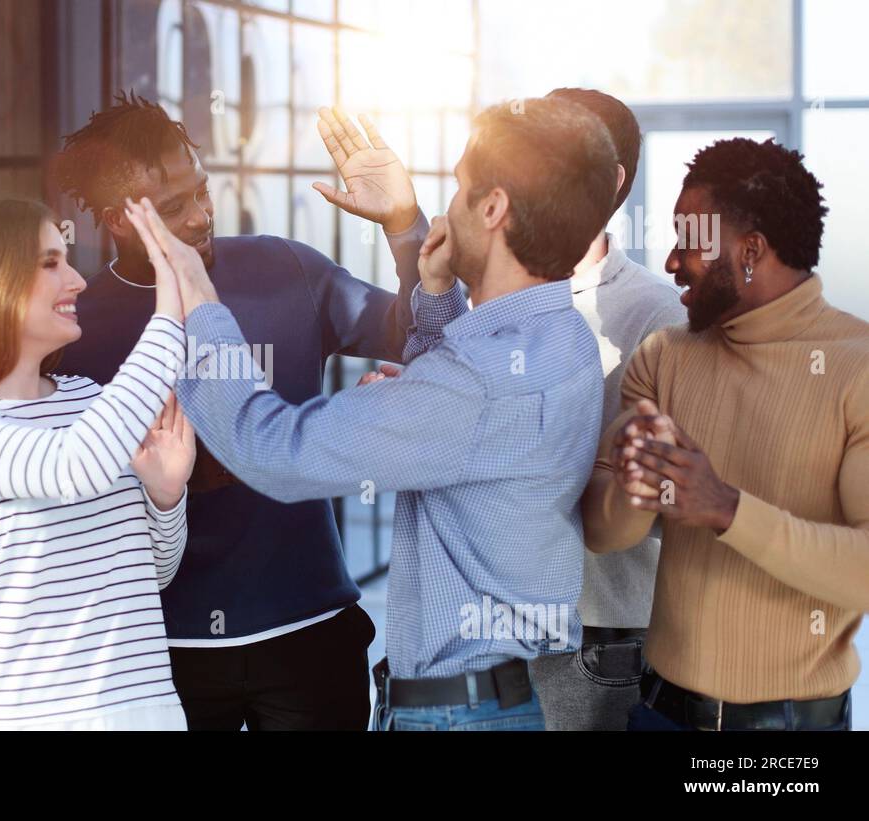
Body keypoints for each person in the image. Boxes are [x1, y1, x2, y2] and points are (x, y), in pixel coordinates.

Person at [124, 94, 618, 731]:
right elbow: (457, 382)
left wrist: (199, 299)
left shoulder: (474, 383)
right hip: (501, 698)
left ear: (493, 209)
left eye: (462, 189)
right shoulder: (560, 336)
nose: (447, 206)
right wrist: (421, 261)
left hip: (461, 714)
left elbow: (270, 451)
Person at [52, 91, 426, 730]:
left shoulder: (284, 266)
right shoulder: (75, 323)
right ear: (117, 220)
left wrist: (405, 226)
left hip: (310, 631)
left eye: (202, 191)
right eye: (173, 208)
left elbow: (416, 334)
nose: (200, 217)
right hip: (161, 653)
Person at [582, 137, 868, 731]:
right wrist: (634, 487)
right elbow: (606, 535)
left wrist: (725, 508)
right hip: (660, 709)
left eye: (691, 241)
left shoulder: (856, 367)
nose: (670, 261)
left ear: (751, 251)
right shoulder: (665, 356)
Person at [0, 199, 194, 730]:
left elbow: (155, 574)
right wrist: (171, 315)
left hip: (143, 714)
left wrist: (166, 498)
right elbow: (74, 466)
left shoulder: (93, 402)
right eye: (50, 263)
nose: (77, 280)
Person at [526, 88, 685, 731]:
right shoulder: (480, 296)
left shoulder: (659, 314)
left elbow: (668, 501)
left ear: (609, 179)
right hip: (493, 633)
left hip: (600, 641)